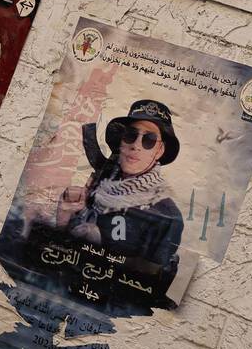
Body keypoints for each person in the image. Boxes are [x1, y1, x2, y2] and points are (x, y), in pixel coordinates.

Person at [57, 99, 185, 301]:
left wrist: (100, 248)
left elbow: (144, 289)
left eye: (149, 140)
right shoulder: (99, 187)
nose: (135, 146)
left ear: (159, 151)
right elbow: (57, 253)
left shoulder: (168, 217)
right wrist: (64, 216)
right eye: (130, 136)